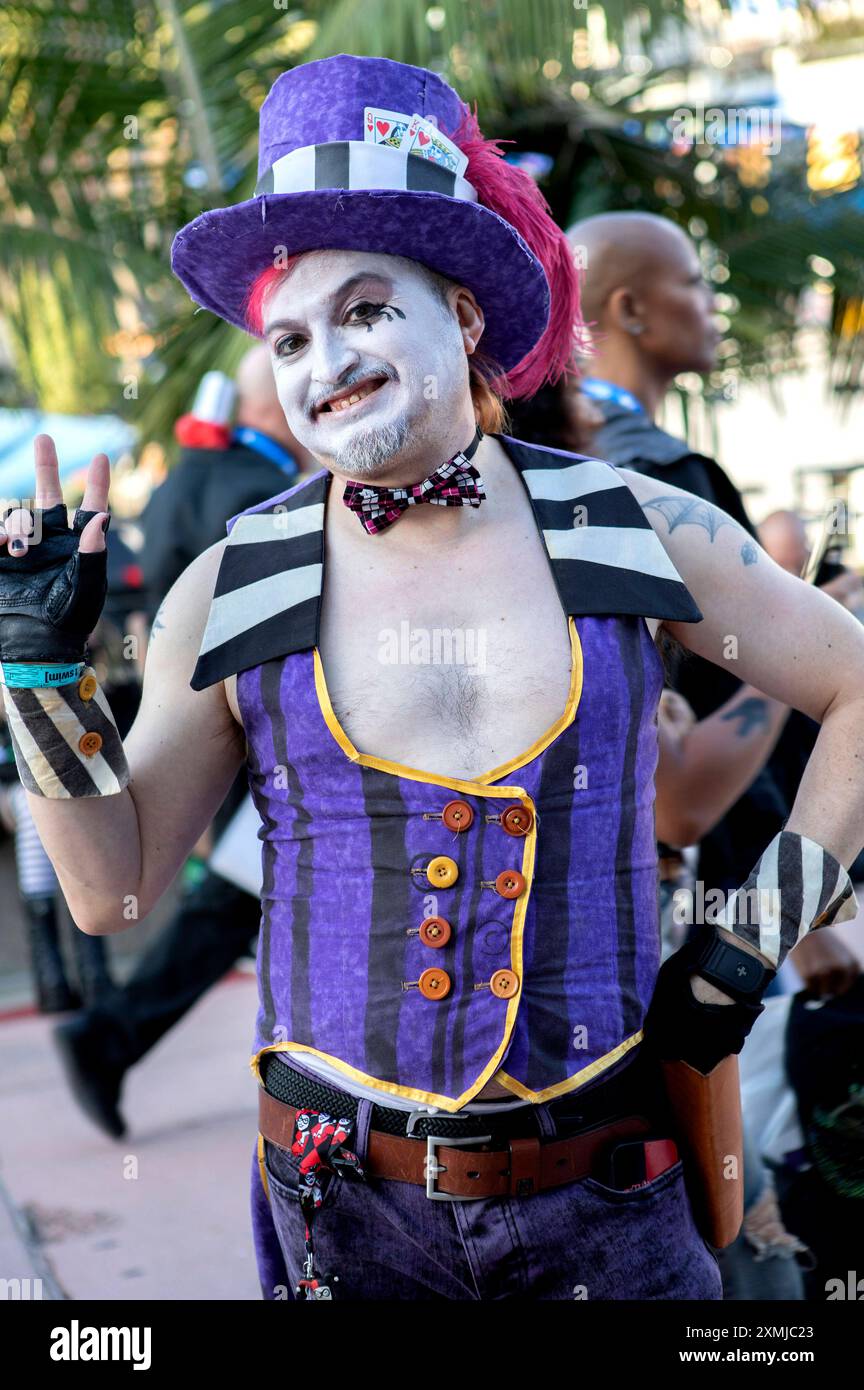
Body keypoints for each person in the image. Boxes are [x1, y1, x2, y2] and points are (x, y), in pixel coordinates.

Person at [2, 56, 864, 1303]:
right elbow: (109, 889)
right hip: (339, 1219)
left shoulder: (627, 527)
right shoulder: (237, 578)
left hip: (610, 1195)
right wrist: (40, 677)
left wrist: (749, 943)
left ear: (462, 315)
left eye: (363, 310)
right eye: (288, 336)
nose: (322, 363)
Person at [53, 349, 311, 1138]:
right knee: (233, 900)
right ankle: (111, 1036)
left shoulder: (181, 481)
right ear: (271, 410)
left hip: (189, 720)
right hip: (265, 736)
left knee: (234, 901)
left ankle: (114, 1037)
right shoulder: (264, 492)